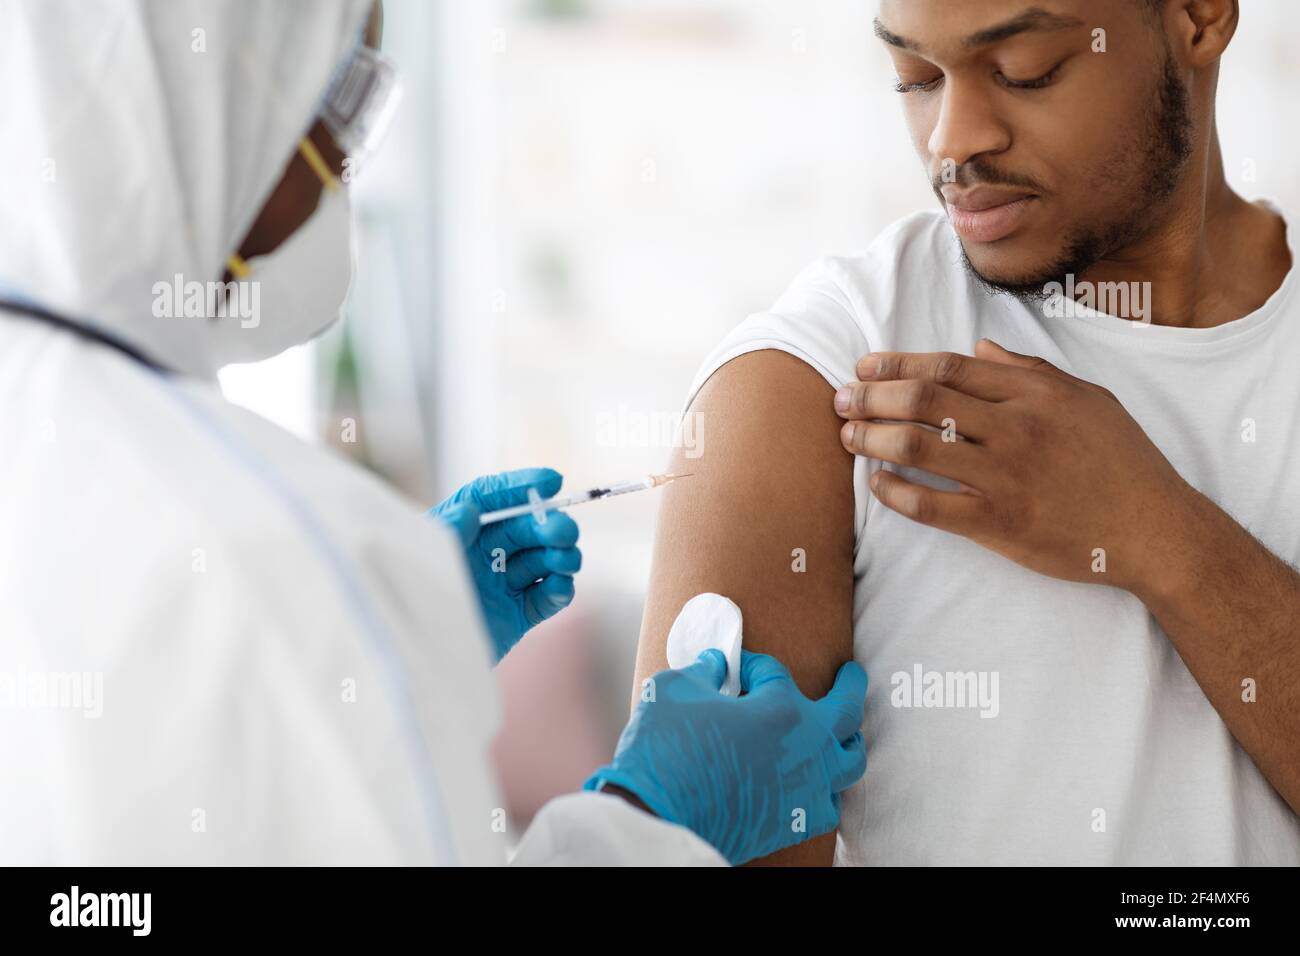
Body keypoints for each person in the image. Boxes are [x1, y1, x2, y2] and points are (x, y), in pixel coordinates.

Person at [0, 0, 868, 866]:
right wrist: (654, 815)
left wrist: (390, 660)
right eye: (348, 102)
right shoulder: (262, 560)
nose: (347, 161)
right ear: (219, 108)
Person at [635, 0, 1300, 865]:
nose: (953, 140)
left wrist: (1155, 532)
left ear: (1199, 17)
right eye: (914, 77)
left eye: (1023, 70)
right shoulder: (814, 381)